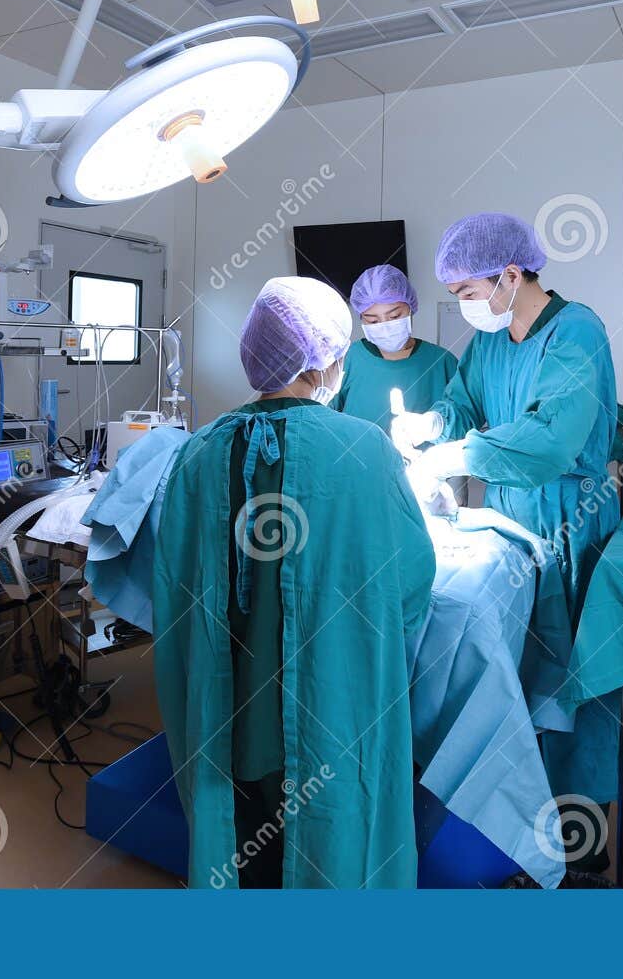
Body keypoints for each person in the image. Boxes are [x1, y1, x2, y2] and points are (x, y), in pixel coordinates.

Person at [150, 276, 436, 888]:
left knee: (244, 855)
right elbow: (410, 584)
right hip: (331, 711)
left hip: (231, 716)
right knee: (333, 848)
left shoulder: (198, 453)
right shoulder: (364, 450)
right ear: (325, 359)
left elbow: (171, 587)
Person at [393, 211, 621, 876]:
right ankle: (511, 824)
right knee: (513, 671)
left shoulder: (576, 332)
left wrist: (459, 455)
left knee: (574, 681)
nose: (465, 304)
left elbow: (552, 440)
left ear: (512, 274)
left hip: (572, 523)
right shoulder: (489, 341)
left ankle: (580, 836)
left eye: (468, 291)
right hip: (511, 521)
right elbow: (462, 404)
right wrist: (430, 426)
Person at [330, 264, 458, 436]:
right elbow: (325, 421)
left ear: (411, 308)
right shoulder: (347, 359)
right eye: (373, 321)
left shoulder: (442, 362)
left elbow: (461, 420)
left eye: (394, 316)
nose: (385, 326)